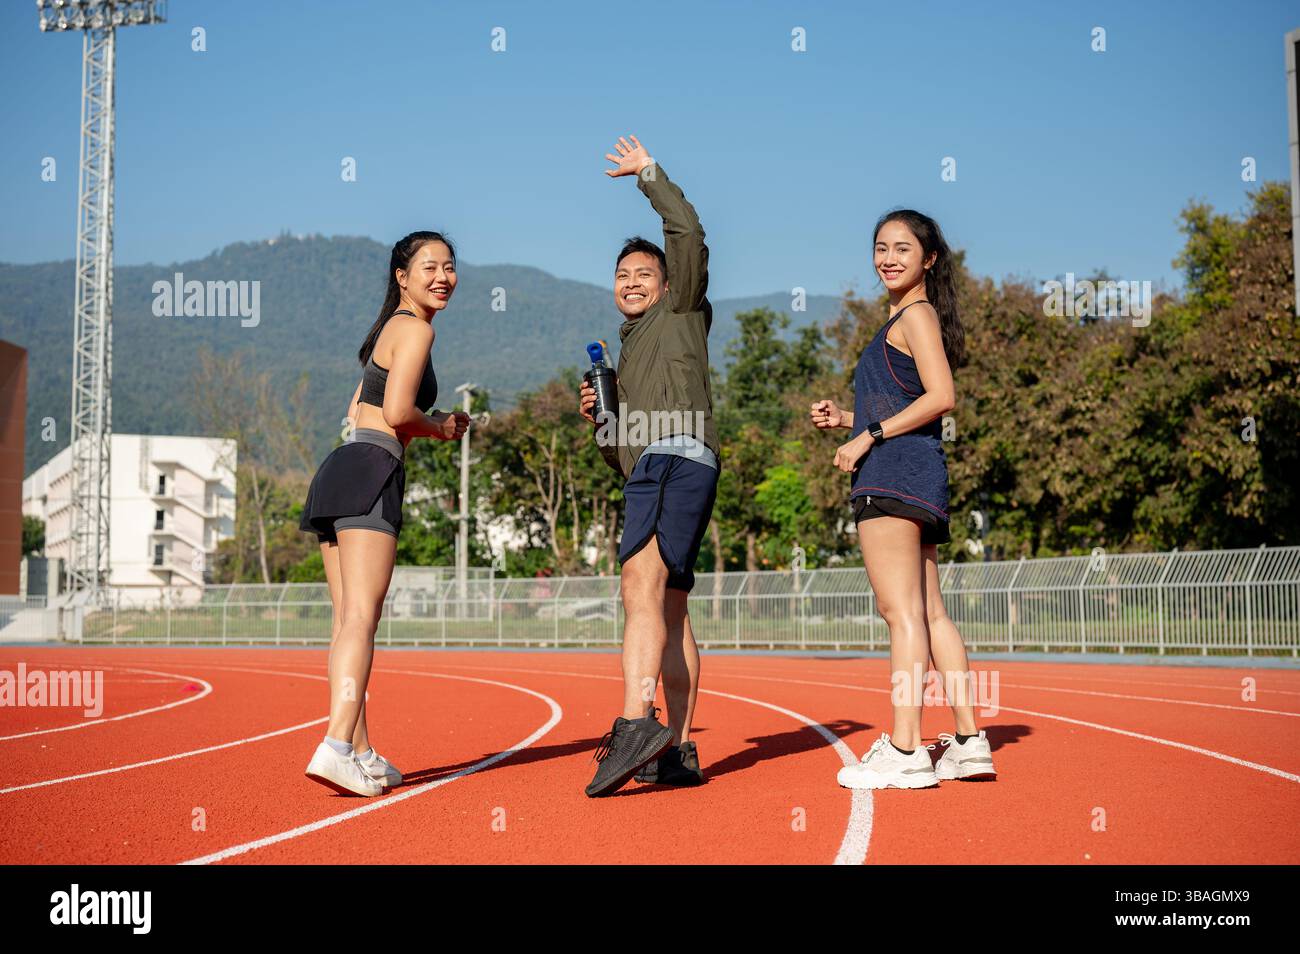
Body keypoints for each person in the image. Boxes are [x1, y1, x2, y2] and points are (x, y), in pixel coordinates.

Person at [809, 210, 996, 789]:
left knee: (901, 615)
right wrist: (847, 418)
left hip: (892, 477)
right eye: (881, 247)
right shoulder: (907, 318)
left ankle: (907, 747)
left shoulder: (916, 314)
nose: (888, 257)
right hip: (917, 475)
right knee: (931, 612)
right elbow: (906, 399)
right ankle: (969, 743)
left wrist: (869, 435)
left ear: (929, 259)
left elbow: (943, 396)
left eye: (903, 248)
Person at [298, 231, 469, 796]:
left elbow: (359, 406)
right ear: (403, 275)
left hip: (340, 467)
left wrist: (427, 417)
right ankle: (336, 745)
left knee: (347, 620)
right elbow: (397, 412)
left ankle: (361, 751)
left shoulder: (385, 332)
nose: (442, 276)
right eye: (429, 266)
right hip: (375, 469)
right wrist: (439, 425)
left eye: (449, 266)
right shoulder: (417, 329)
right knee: (362, 620)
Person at [578, 136, 720, 797]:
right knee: (669, 608)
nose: (631, 283)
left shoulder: (683, 312)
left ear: (668, 285)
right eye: (622, 276)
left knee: (637, 586)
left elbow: (687, 231)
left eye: (644, 275)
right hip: (656, 464)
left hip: (677, 458)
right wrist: (602, 423)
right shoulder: (627, 353)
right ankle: (680, 751)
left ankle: (637, 723)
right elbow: (622, 457)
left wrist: (649, 175)